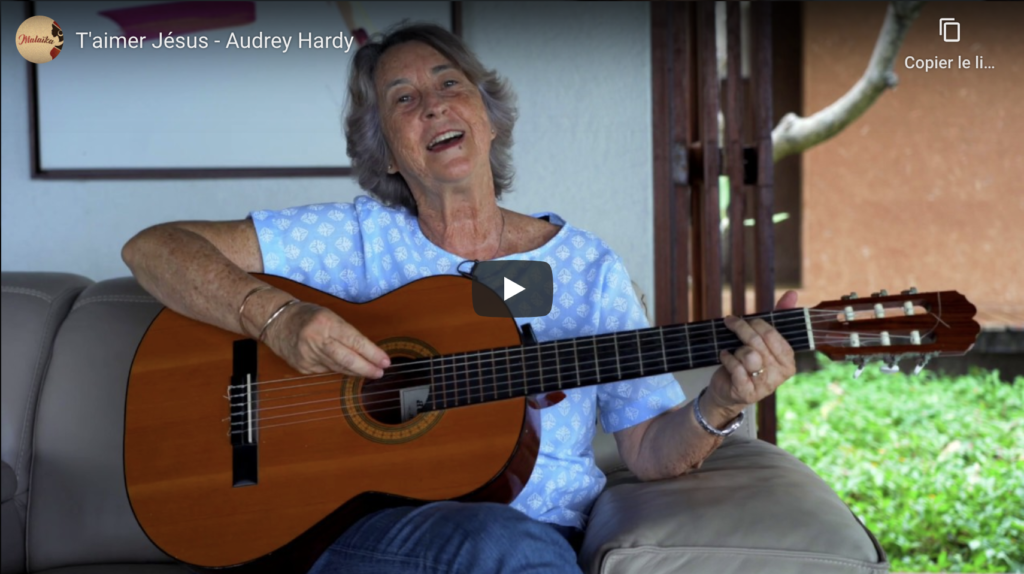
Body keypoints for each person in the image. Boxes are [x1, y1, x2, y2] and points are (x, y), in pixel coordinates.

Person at [122, 23, 798, 574]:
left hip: (526, 541)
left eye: (449, 84)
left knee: (513, 545)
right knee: (506, 546)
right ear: (386, 152)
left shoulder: (584, 269)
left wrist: (721, 401)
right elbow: (152, 248)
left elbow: (649, 448)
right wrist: (277, 317)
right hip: (366, 533)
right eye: (403, 100)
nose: (434, 104)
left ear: (489, 118)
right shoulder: (357, 238)